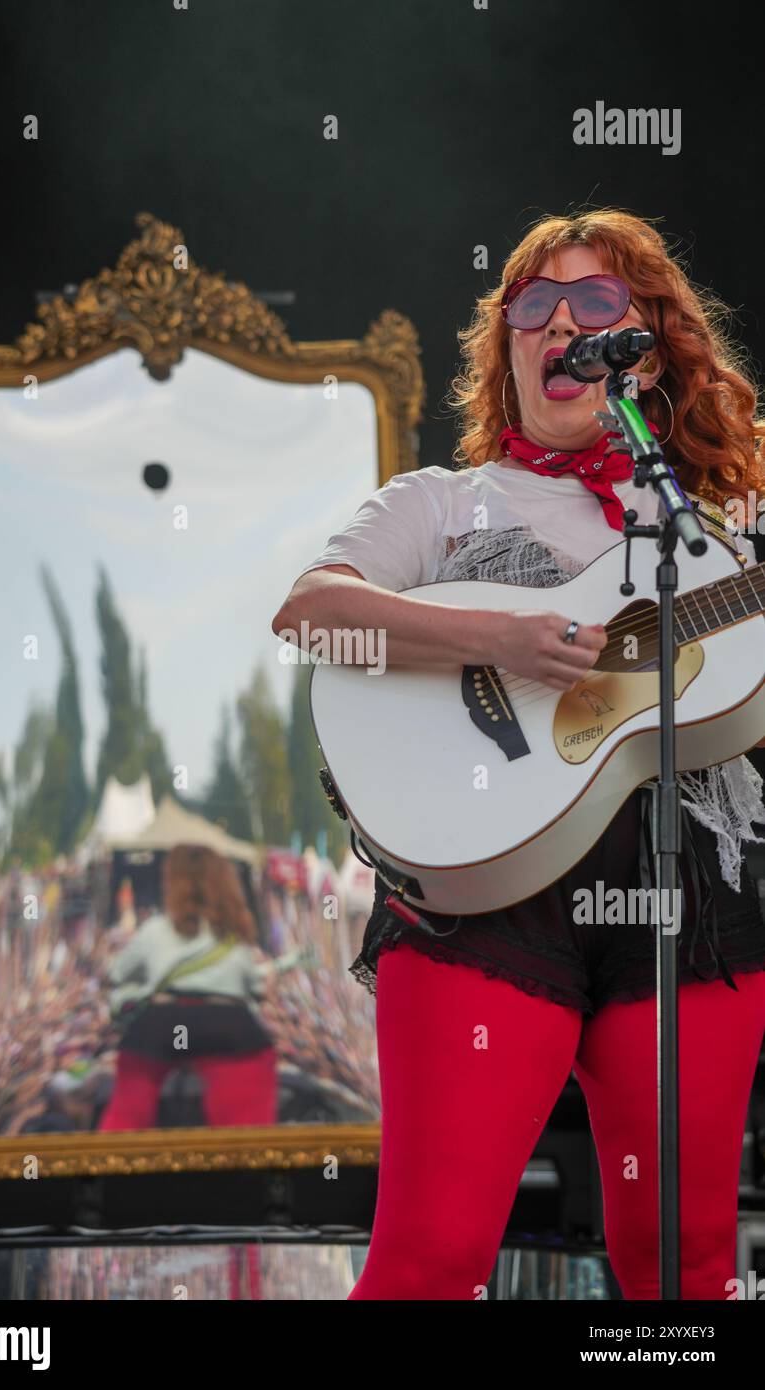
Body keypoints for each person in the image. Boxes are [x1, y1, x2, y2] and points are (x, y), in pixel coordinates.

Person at [271, 208, 765, 1300]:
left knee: (682, 1270)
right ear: (505, 346)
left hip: (686, 893)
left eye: (593, 305)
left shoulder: (720, 526)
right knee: (430, 1260)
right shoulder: (442, 502)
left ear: (644, 344)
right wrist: (499, 638)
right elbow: (309, 613)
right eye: (532, 307)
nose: (559, 326)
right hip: (481, 901)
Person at [98, 844, 305, 1130]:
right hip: (227, 1024)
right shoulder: (233, 933)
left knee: (128, 1114)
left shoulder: (155, 929)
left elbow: (116, 973)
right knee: (246, 1124)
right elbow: (251, 985)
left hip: (161, 1023)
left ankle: (117, 1161)